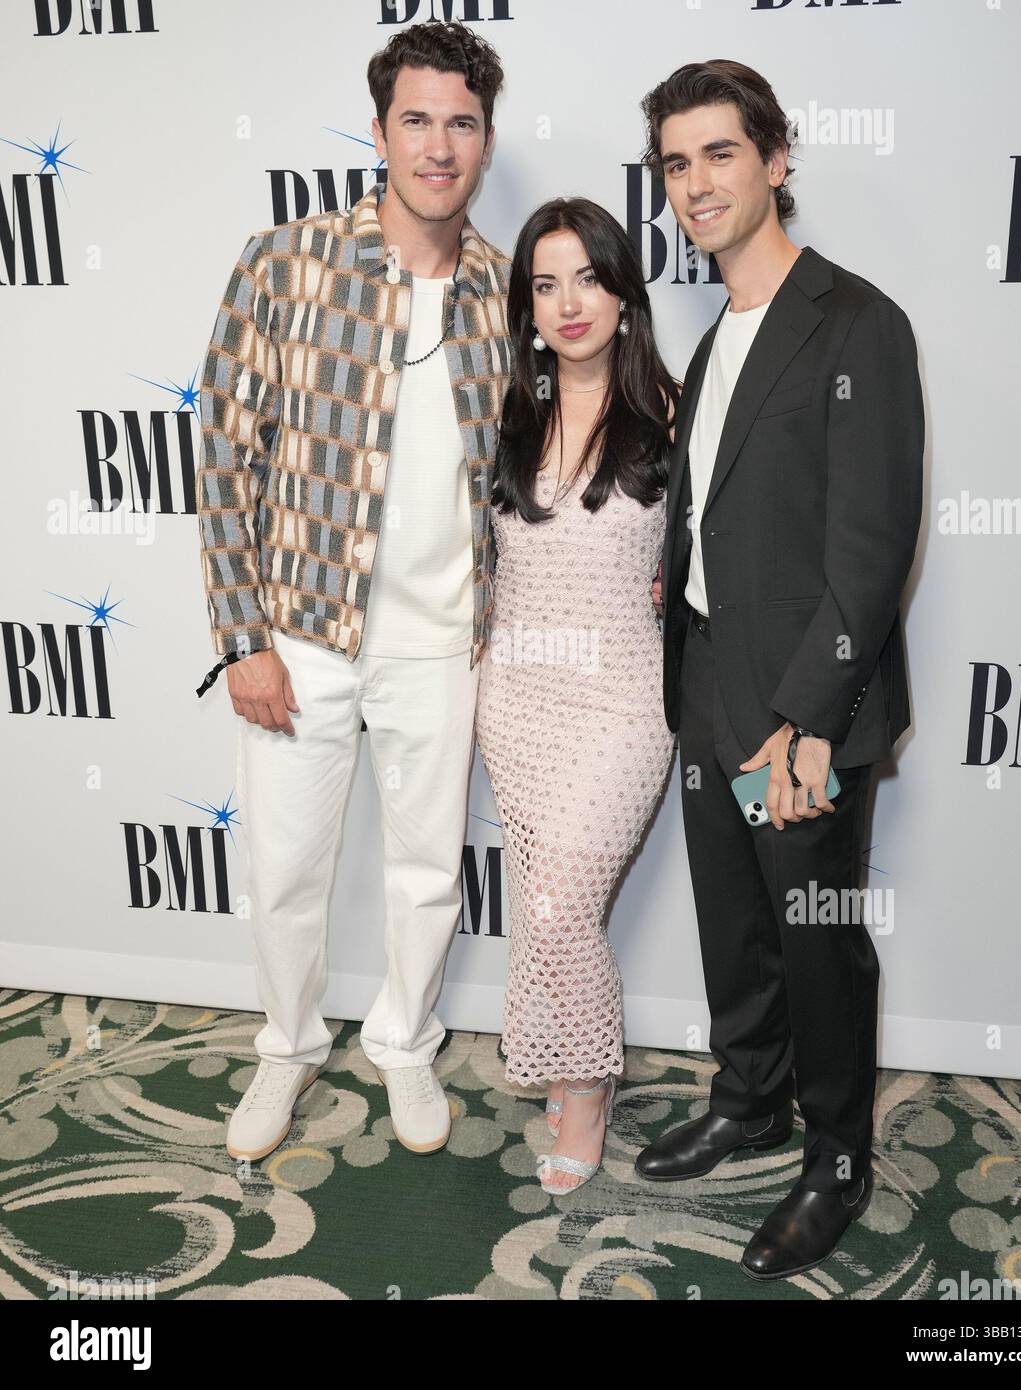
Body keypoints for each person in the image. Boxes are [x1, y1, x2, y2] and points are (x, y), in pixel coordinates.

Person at [194, 20, 511, 1162]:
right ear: (378, 132)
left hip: (442, 640)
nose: (439, 147)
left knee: (427, 873)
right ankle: (286, 1045)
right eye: (416, 120)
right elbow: (222, 454)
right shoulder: (285, 262)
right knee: (284, 868)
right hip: (302, 632)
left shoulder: (504, 288)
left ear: (485, 139)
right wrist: (243, 639)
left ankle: (405, 1039)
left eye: (461, 123)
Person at [636, 60, 924, 1278]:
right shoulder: (713, 340)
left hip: (798, 707)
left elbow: (870, 548)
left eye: (718, 153)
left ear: (774, 159)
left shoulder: (856, 322)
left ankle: (836, 1159)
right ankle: (747, 1099)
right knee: (735, 921)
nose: (694, 183)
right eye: (674, 163)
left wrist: (808, 718)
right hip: (711, 683)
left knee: (815, 938)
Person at [475, 198, 679, 1194]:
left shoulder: (672, 415)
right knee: (540, 904)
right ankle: (565, 1064)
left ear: (623, 294)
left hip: (622, 706)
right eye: (545, 284)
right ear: (527, 307)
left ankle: (587, 1087)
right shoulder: (507, 417)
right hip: (515, 700)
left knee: (559, 907)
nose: (568, 304)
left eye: (588, 279)